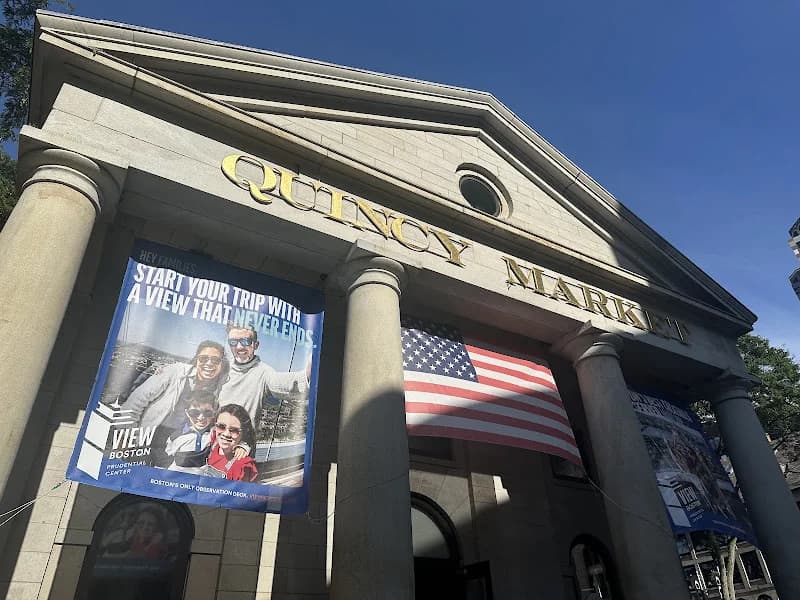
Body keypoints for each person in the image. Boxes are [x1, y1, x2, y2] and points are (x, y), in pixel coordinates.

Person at [218, 324, 310, 429]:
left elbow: (282, 383)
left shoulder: (263, 372)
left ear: (256, 345)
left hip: (242, 437)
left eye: (245, 341)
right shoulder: (221, 367)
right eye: (233, 342)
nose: (239, 347)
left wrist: (307, 374)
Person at [121, 340, 227, 431]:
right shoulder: (174, 372)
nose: (209, 363)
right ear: (196, 359)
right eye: (203, 358)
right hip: (146, 433)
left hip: (176, 442)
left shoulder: (217, 389)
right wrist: (127, 434)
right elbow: (135, 402)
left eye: (216, 360)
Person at [164, 390, 217, 474]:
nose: (201, 417)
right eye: (194, 412)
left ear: (214, 413)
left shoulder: (217, 433)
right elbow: (166, 456)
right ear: (187, 413)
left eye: (207, 413)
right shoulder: (177, 436)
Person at [205, 404, 259, 482]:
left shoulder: (242, 465)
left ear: (244, 433)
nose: (226, 434)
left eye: (234, 430)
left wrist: (244, 446)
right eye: (221, 426)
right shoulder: (213, 442)